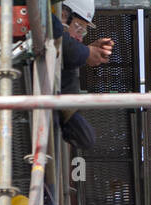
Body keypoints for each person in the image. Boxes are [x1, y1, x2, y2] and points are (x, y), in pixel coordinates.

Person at [53, 0, 112, 152]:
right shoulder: (42, 21)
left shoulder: (61, 59)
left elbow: (83, 137)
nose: (80, 38)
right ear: (63, 14)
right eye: (79, 29)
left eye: (83, 33)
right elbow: (59, 41)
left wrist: (83, 51)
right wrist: (85, 53)